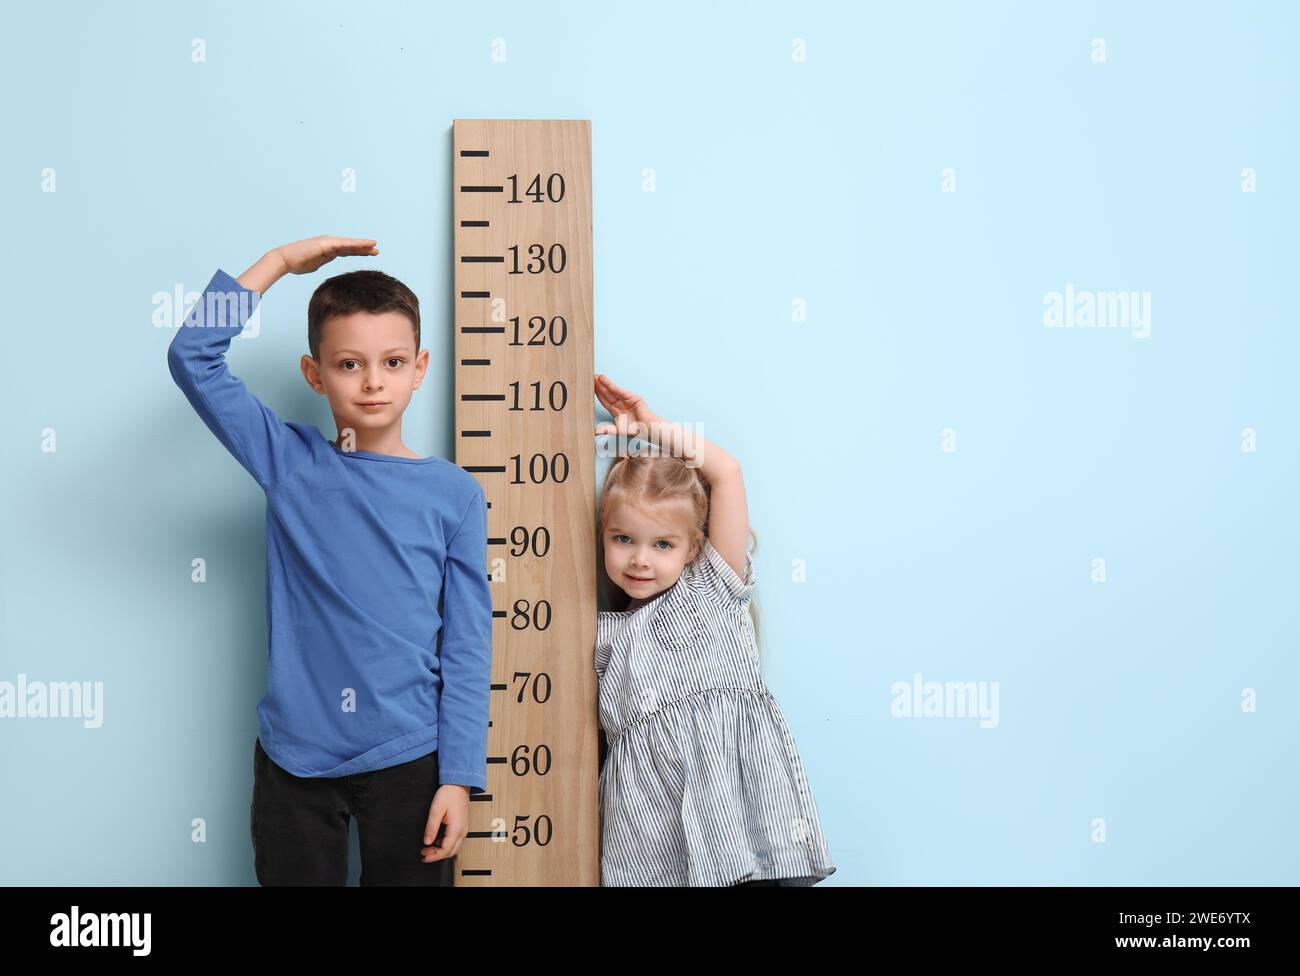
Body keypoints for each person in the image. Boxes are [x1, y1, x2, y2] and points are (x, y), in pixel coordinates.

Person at [166, 236, 493, 885]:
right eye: (349, 364)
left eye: (393, 361)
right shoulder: (288, 463)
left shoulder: (455, 494)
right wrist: (282, 264)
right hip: (294, 762)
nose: (373, 381)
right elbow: (192, 356)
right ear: (314, 373)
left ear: (420, 367)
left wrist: (459, 776)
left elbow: (467, 646)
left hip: (411, 760)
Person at [592, 373, 835, 886]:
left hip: (737, 812)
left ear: (693, 549)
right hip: (651, 827)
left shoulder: (712, 587)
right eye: (623, 539)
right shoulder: (603, 636)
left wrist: (651, 426)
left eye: (662, 544)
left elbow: (726, 472)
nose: (640, 559)